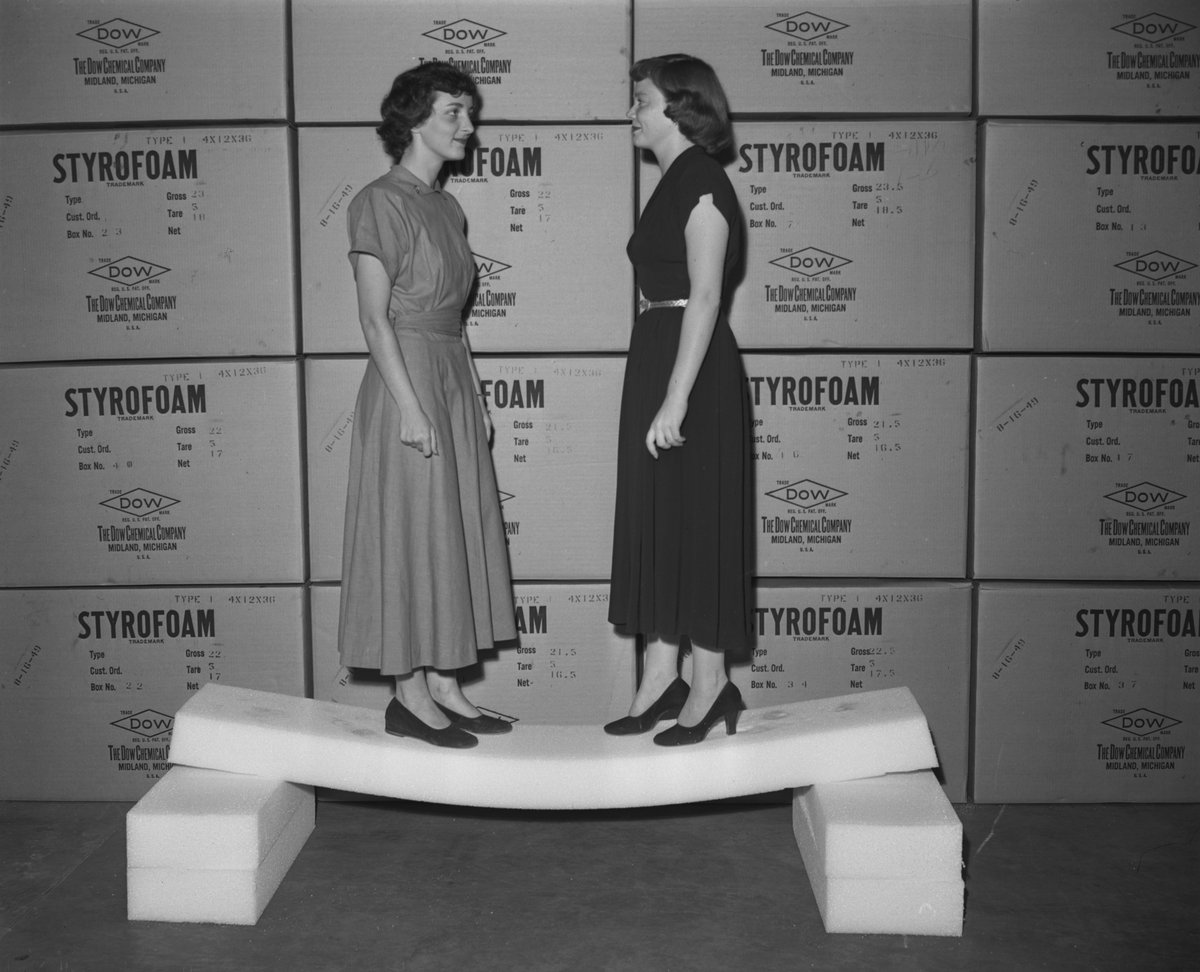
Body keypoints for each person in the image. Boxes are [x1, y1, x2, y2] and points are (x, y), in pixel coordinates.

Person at [338, 62, 515, 749]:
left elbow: (457, 320)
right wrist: (410, 409)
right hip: (405, 379)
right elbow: (374, 318)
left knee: (451, 533)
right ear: (414, 121)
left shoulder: (448, 207)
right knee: (410, 533)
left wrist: (476, 396)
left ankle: (445, 683)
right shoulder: (378, 201)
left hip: (448, 377)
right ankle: (407, 696)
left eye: (469, 113)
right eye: (453, 113)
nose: (468, 126)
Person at [605, 54, 754, 746]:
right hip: (659, 354)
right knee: (658, 519)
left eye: (641, 100)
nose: (631, 112)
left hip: (691, 371)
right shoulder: (672, 181)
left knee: (697, 520)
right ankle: (660, 675)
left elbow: (707, 296)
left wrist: (675, 399)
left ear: (681, 107)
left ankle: (711, 682)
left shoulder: (703, 184)